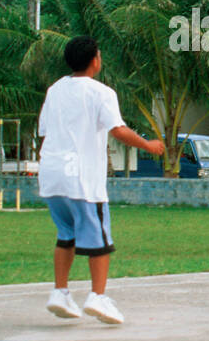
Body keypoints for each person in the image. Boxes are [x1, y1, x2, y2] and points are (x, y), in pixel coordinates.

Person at [38, 36, 164, 324]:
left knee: (65, 235)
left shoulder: (55, 90)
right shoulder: (101, 92)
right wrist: (148, 145)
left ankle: (60, 292)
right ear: (95, 60)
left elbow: (45, 130)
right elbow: (118, 130)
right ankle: (97, 297)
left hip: (52, 175)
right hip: (82, 179)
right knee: (99, 240)